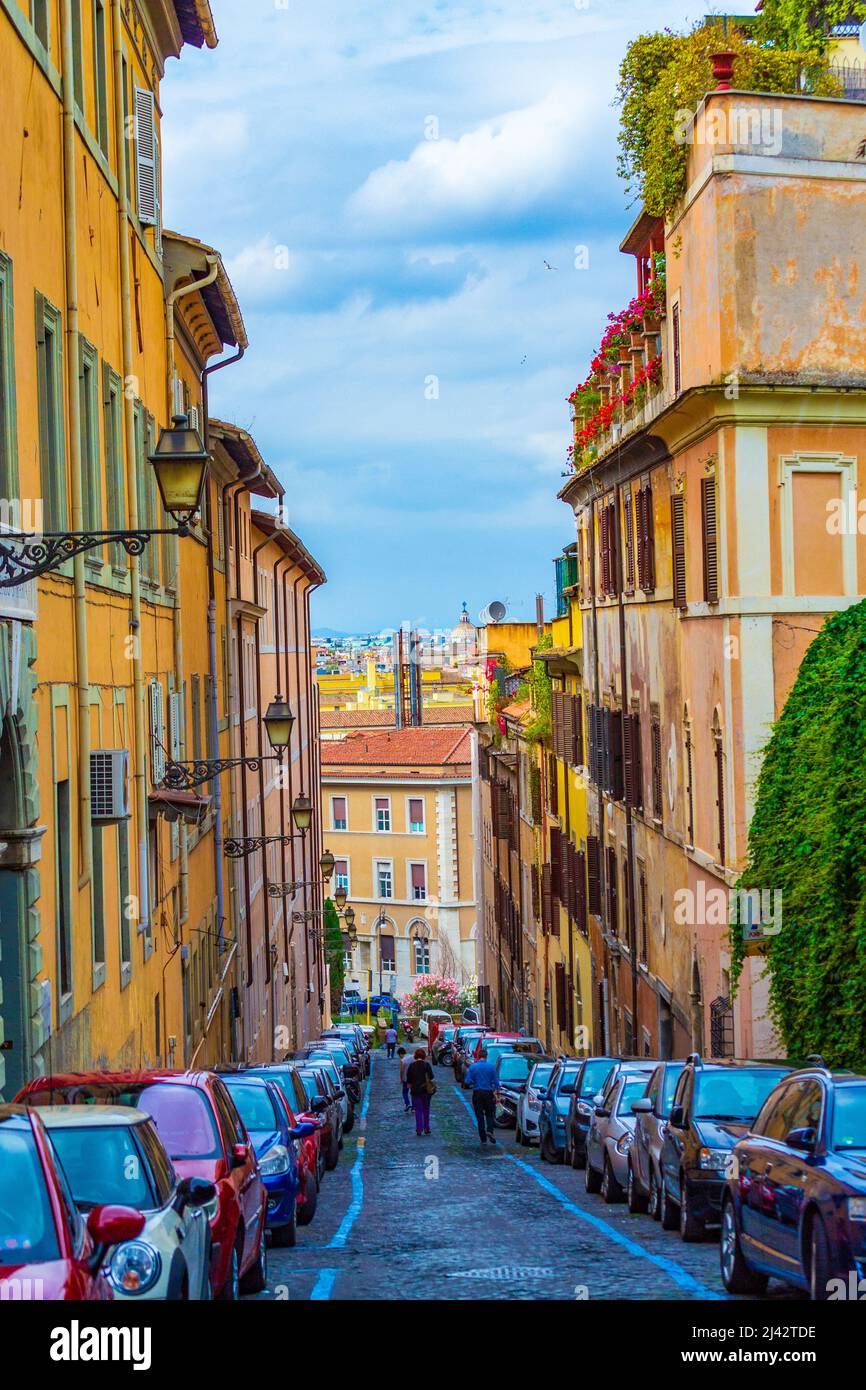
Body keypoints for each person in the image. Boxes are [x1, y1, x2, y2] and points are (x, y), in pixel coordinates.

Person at [464, 1047, 501, 1145]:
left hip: (477, 1093)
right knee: (489, 1113)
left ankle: (483, 1139)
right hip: (489, 1093)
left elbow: (467, 1081)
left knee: (479, 1116)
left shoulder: (473, 1067)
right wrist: (497, 1094)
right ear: (486, 1057)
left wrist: (474, 1082)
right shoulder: (492, 1067)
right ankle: (490, 1130)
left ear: (478, 1056)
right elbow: (497, 1083)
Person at [406, 1047, 434, 1136]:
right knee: (426, 1109)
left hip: (415, 1091)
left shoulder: (411, 1066)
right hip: (426, 1090)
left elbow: (409, 1079)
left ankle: (419, 1129)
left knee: (418, 1110)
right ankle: (427, 1128)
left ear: (415, 1056)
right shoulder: (426, 1065)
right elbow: (432, 1076)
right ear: (424, 1056)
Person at [397, 1046, 411, 1112]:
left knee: (405, 1092)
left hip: (406, 1079)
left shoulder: (403, 1060)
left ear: (400, 1054)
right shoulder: (412, 1056)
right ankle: (414, 1107)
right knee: (413, 1092)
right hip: (414, 1078)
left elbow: (401, 1070)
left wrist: (401, 1078)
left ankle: (407, 1103)